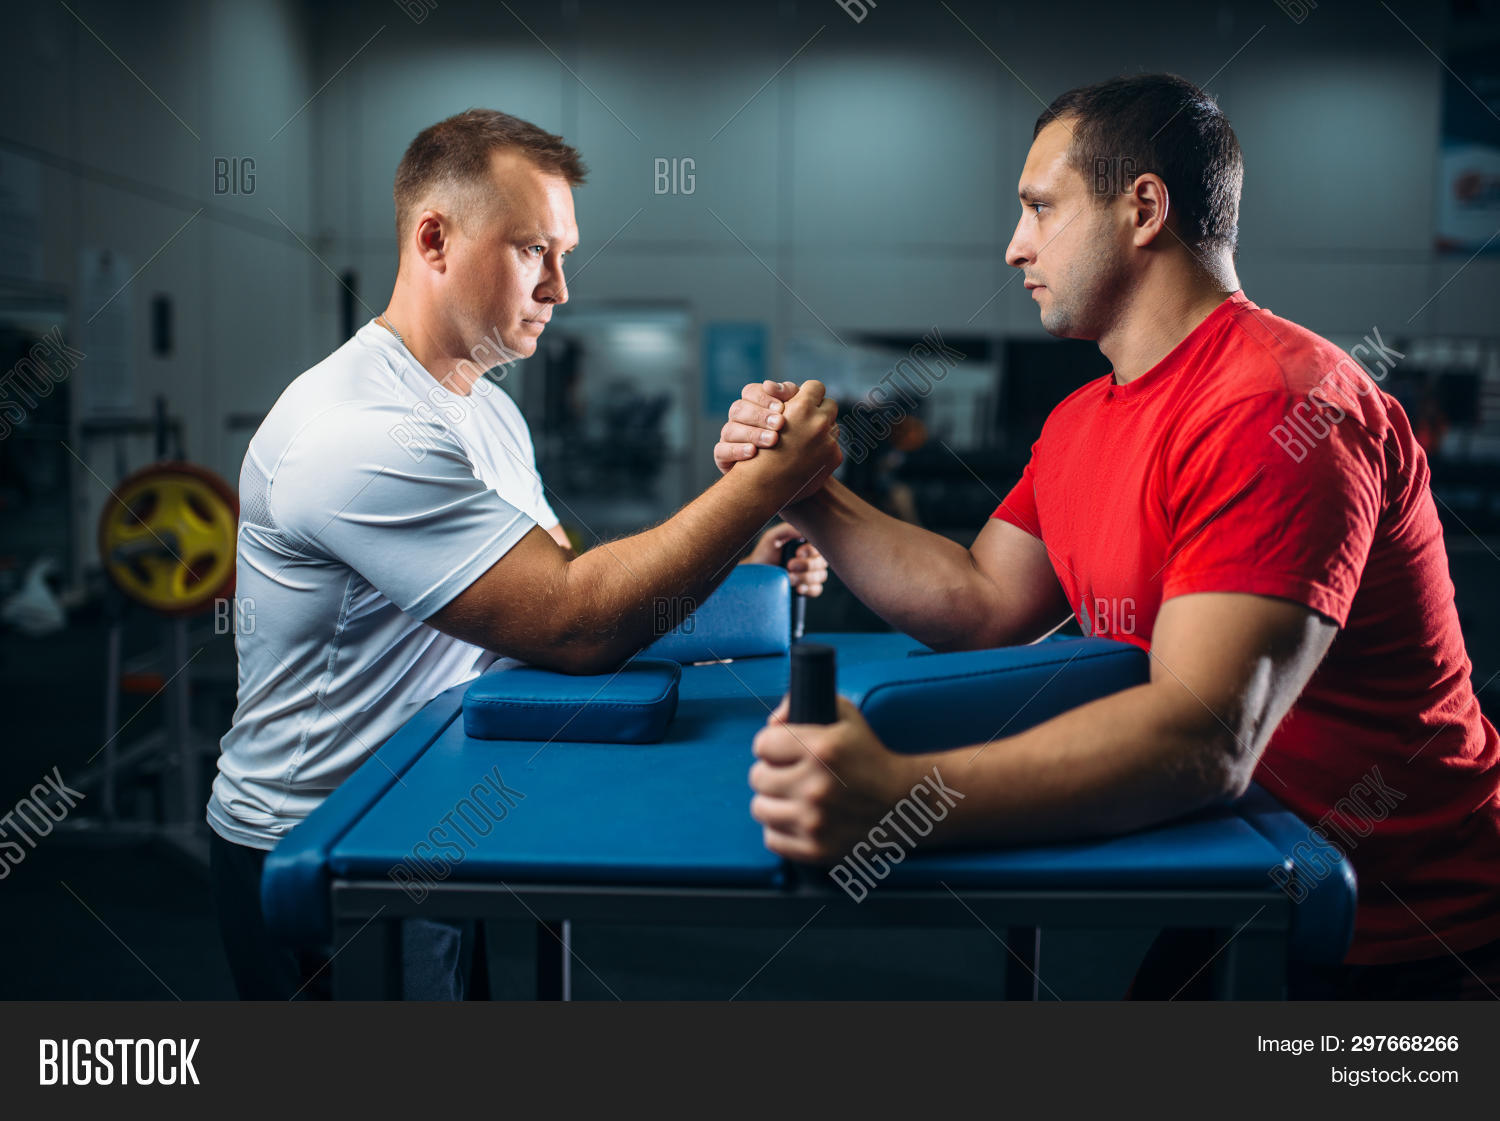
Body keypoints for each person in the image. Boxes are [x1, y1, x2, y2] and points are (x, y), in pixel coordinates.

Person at [716, 74, 1500, 999]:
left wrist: (899, 797)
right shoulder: (1085, 417)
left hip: (1411, 932)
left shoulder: (1278, 406)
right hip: (1241, 865)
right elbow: (981, 601)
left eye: (1041, 208)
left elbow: (1206, 736)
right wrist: (807, 491)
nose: (1015, 248)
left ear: (1144, 208)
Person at [209, 109, 837, 999]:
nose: (560, 288)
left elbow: (568, 582)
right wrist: (756, 488)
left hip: (432, 806)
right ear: (434, 239)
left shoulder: (490, 408)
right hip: (322, 843)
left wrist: (752, 564)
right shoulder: (355, 433)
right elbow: (572, 620)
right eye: (535, 250)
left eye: (565, 254)